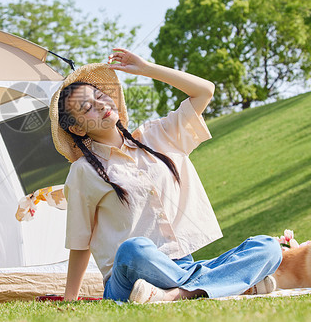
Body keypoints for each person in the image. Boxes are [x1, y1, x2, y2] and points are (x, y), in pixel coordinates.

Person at [51, 48, 282, 303]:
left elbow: (204, 91)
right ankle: (227, 284)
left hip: (182, 266)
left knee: (268, 247)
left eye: (100, 95)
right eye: (87, 108)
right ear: (77, 128)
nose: (101, 104)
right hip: (130, 275)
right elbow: (80, 240)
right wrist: (70, 298)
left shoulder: (157, 135)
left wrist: (147, 68)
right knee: (132, 248)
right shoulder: (83, 171)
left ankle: (176, 294)